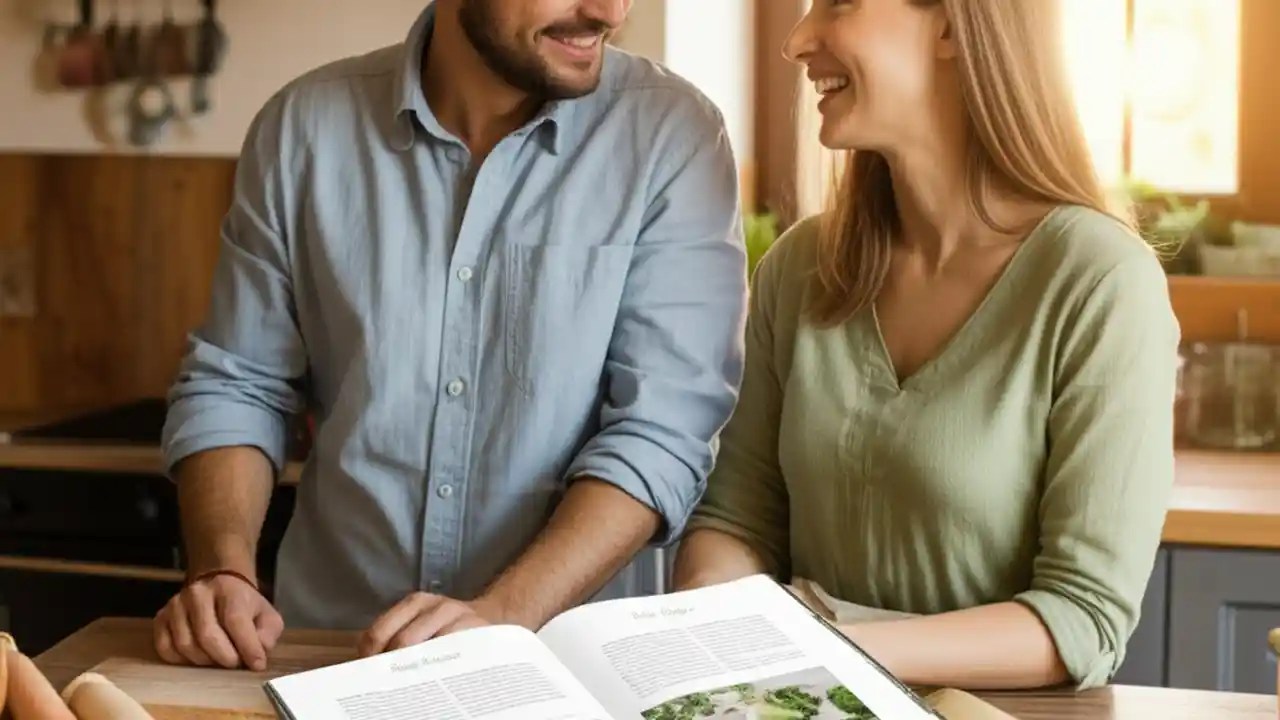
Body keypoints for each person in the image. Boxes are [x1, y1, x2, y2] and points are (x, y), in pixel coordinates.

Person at [155, 0, 748, 672]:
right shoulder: (303, 128)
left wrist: (504, 615)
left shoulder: (672, 133)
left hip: (571, 673)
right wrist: (222, 571)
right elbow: (238, 381)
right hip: (326, 658)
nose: (608, 11)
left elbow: (661, 431)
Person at [673, 0, 1180, 692]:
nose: (798, 41)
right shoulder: (800, 268)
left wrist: (822, 647)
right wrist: (704, 631)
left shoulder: (1100, 280)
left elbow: (1082, 620)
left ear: (951, 25)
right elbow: (737, 520)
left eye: (838, 5)